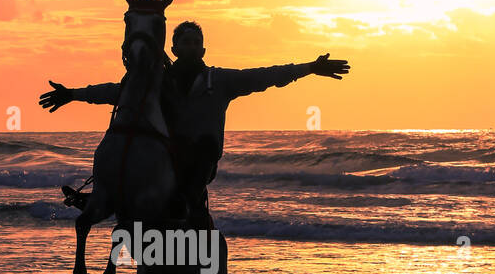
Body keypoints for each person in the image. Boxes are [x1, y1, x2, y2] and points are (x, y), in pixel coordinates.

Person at [39, 19, 349, 220]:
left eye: (194, 42)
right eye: (183, 43)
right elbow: (118, 92)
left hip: (198, 164)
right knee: (126, 140)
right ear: (172, 49)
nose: (189, 47)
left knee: (199, 147)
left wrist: (310, 68)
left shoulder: (220, 81)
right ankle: (102, 199)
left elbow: (266, 75)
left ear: (203, 49)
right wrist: (73, 94)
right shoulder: (157, 81)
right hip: (160, 159)